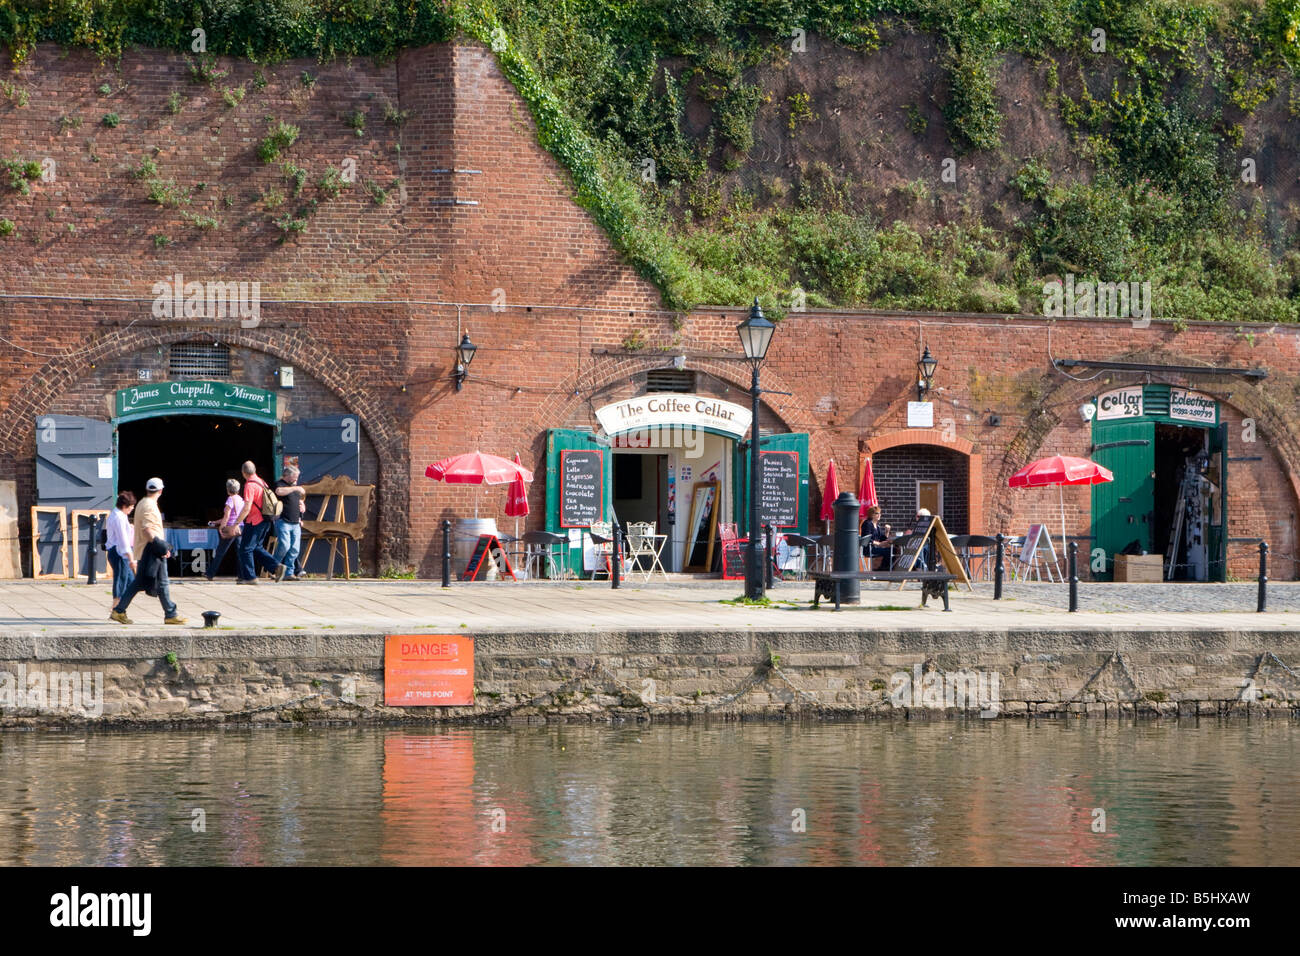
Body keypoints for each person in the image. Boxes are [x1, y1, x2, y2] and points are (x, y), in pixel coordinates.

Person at [110, 477, 185, 624]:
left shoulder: (143, 503)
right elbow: (148, 530)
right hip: (151, 549)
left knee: (140, 583)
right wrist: (161, 546)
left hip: (149, 549)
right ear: (161, 491)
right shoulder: (149, 506)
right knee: (160, 582)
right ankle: (170, 614)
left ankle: (119, 611)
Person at [236, 460, 279, 584]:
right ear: (254, 470)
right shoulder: (262, 482)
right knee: (256, 547)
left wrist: (236, 523)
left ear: (243, 472)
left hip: (254, 521)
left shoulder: (249, 485)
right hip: (266, 520)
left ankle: (250, 577)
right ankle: (276, 567)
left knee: (245, 549)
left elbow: (247, 507)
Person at [205, 478, 244, 581]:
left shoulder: (230, 499)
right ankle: (241, 575)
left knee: (220, 551)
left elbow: (226, 517)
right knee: (240, 552)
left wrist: (221, 528)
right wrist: (215, 522)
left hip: (230, 528)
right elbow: (233, 516)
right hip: (240, 528)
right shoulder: (240, 499)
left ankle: (210, 573)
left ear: (228, 489)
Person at [272, 465, 306, 582]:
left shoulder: (294, 487)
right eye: (295, 477)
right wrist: (295, 488)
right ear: (287, 476)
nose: (296, 480)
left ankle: (289, 573)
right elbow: (279, 492)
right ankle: (274, 568)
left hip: (296, 522)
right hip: (283, 521)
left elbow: (297, 502)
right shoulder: (280, 484)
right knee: (284, 546)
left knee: (294, 549)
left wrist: (301, 507)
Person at [105, 491, 137, 604]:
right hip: (119, 553)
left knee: (130, 582)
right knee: (121, 581)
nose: (132, 508)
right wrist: (131, 558)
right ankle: (116, 608)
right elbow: (123, 540)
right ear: (124, 506)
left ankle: (120, 608)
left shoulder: (119, 514)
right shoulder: (119, 518)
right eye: (131, 506)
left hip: (118, 552)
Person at [861, 505, 892, 571]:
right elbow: (866, 538)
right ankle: (883, 569)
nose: (879, 515)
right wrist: (879, 544)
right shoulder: (867, 524)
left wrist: (887, 531)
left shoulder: (877, 526)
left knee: (893, 549)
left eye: (880, 513)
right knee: (889, 551)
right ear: (871, 514)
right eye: (877, 513)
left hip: (876, 548)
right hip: (869, 549)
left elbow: (882, 538)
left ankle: (884, 568)